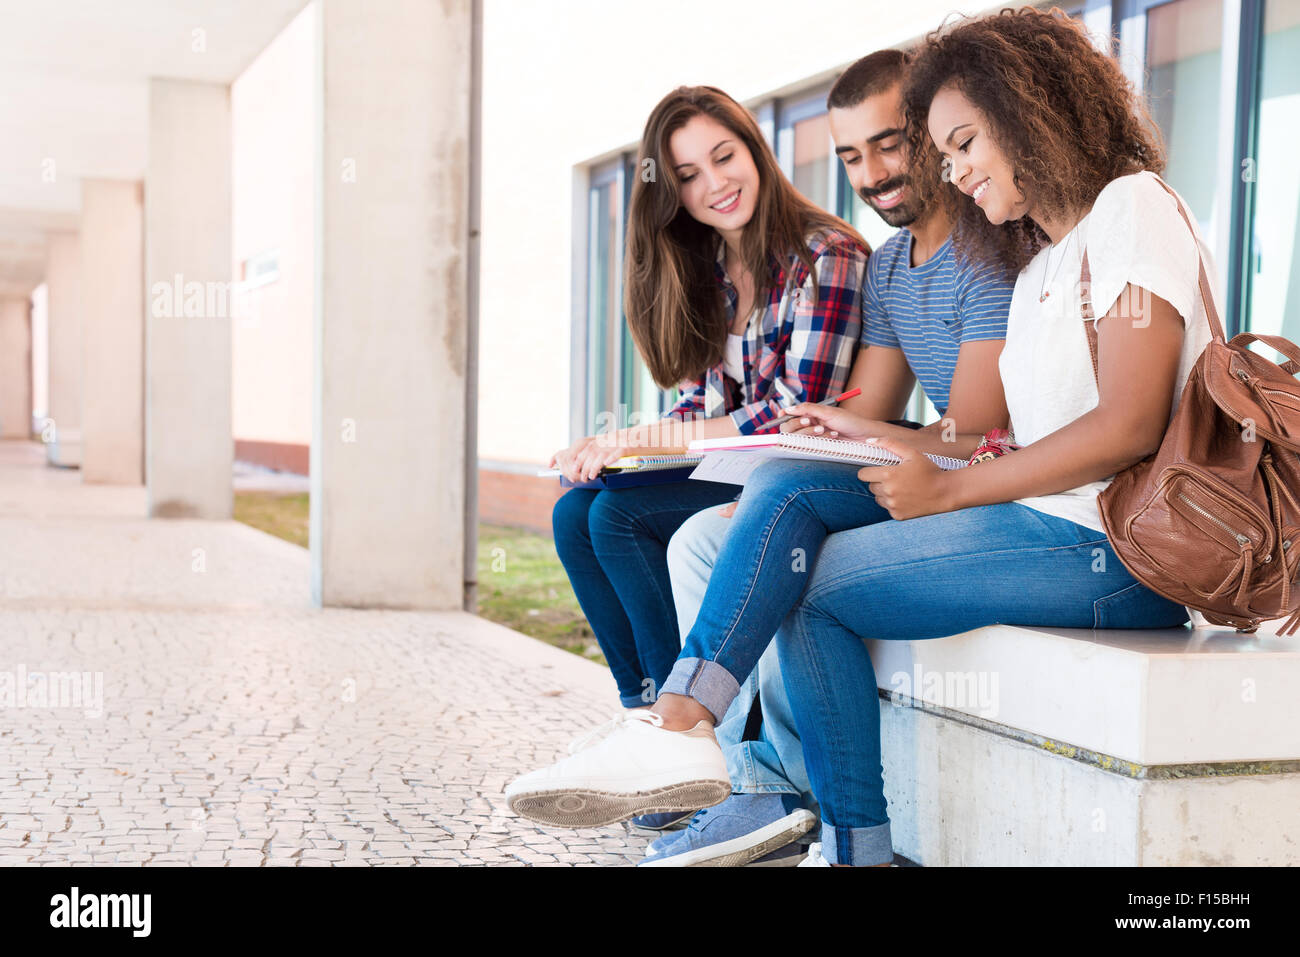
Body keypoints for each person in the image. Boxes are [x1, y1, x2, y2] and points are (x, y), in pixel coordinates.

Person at [506, 6, 1210, 868]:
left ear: (1032, 118)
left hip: (1115, 549)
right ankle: (702, 741)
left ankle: (808, 817)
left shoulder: (1130, 210)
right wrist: (872, 437)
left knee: (808, 579)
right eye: (942, 151)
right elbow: (991, 435)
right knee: (791, 490)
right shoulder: (1045, 257)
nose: (950, 170)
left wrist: (946, 483)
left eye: (961, 145)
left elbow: (1127, 424)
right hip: (1042, 514)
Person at [643, 47, 1017, 867]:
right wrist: (818, 430)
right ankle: (751, 780)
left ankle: (695, 736)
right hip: (927, 466)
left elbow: (971, 436)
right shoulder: (890, 266)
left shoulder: (991, 248)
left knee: (779, 514)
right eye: (852, 156)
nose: (874, 172)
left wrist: (829, 445)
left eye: (891, 143)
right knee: (703, 535)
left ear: (934, 133)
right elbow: (873, 411)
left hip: (993, 485)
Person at [547, 86, 867, 828]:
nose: (715, 184)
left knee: (620, 520)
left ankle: (683, 748)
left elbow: (792, 412)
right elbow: (697, 411)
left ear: (755, 149)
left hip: (802, 467)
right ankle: (643, 725)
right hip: (737, 463)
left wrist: (638, 440)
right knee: (576, 511)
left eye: (725, 157)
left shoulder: (827, 255)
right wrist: (612, 448)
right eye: (688, 174)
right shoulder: (711, 267)